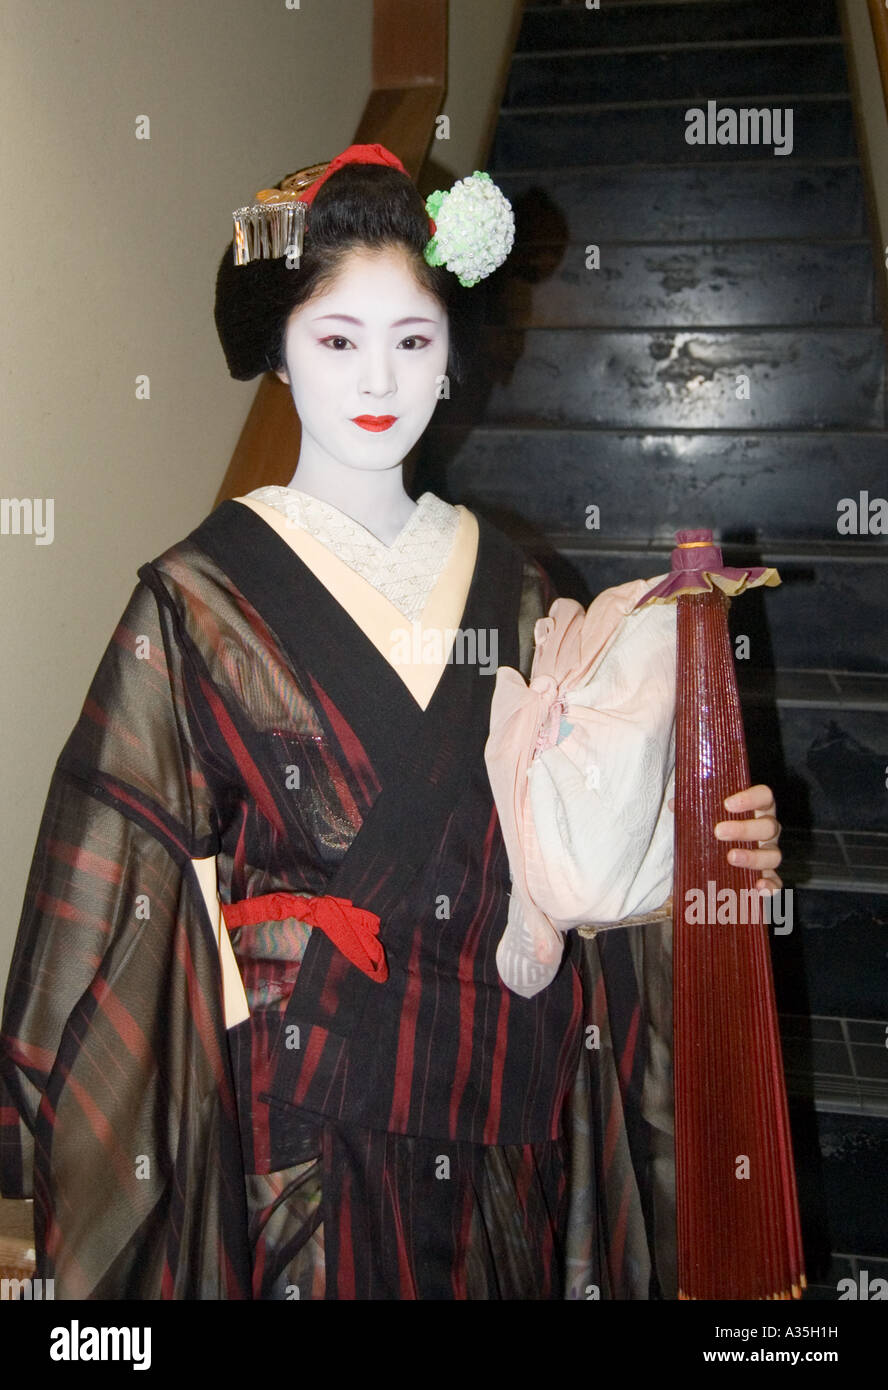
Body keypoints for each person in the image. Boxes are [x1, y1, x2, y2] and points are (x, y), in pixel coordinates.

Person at [0, 144, 783, 1300]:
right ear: (278, 351)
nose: (380, 378)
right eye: (337, 339)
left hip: (503, 1134)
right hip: (301, 1153)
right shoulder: (197, 597)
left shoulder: (518, 587)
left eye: (414, 340)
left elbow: (581, 854)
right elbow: (111, 887)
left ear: (451, 356)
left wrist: (696, 855)